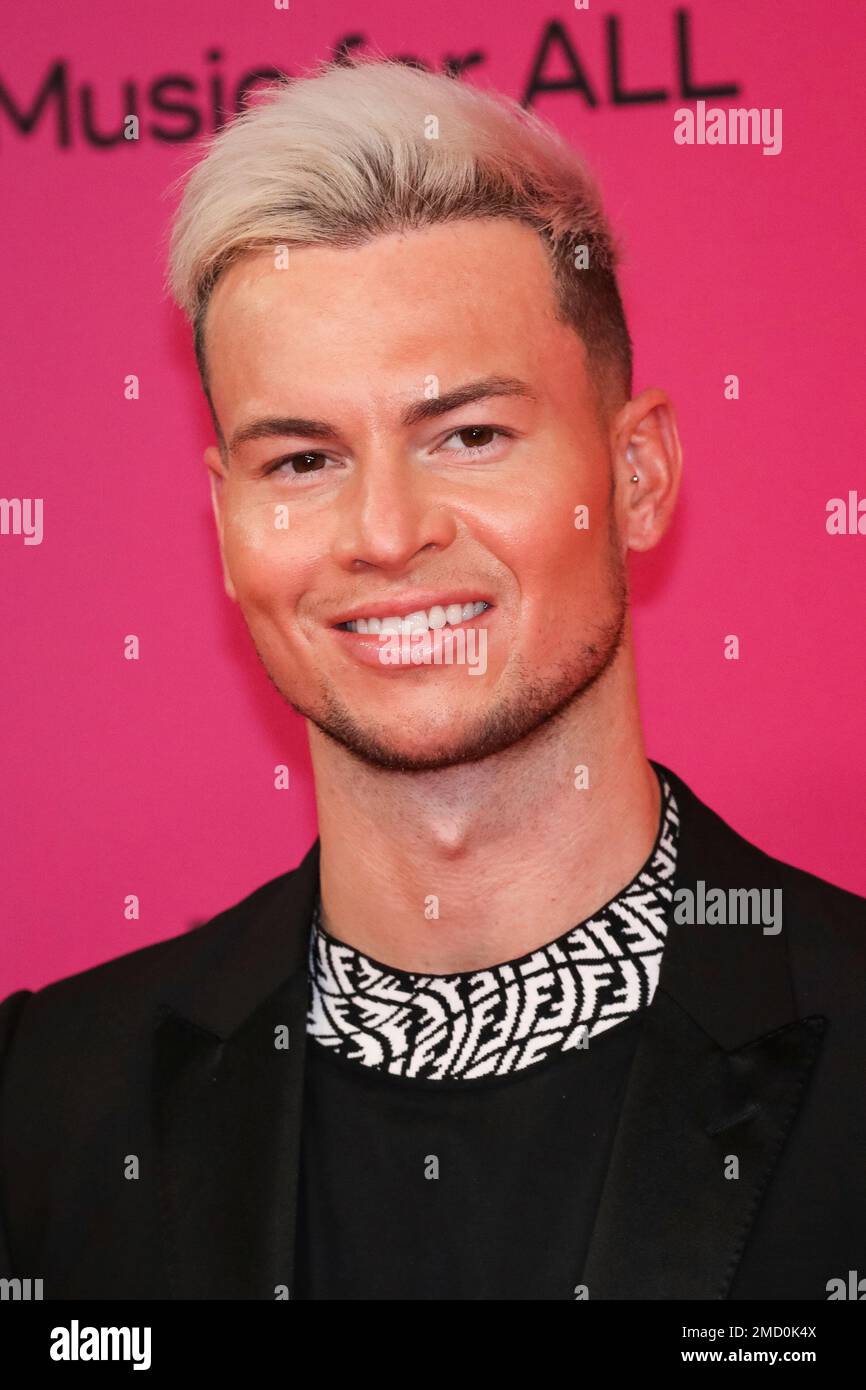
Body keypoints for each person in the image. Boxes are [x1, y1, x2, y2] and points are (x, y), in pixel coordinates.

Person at [1, 56, 863, 1302]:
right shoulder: (46, 1099)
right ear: (226, 519)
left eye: (466, 435)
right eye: (300, 459)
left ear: (635, 476)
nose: (385, 532)